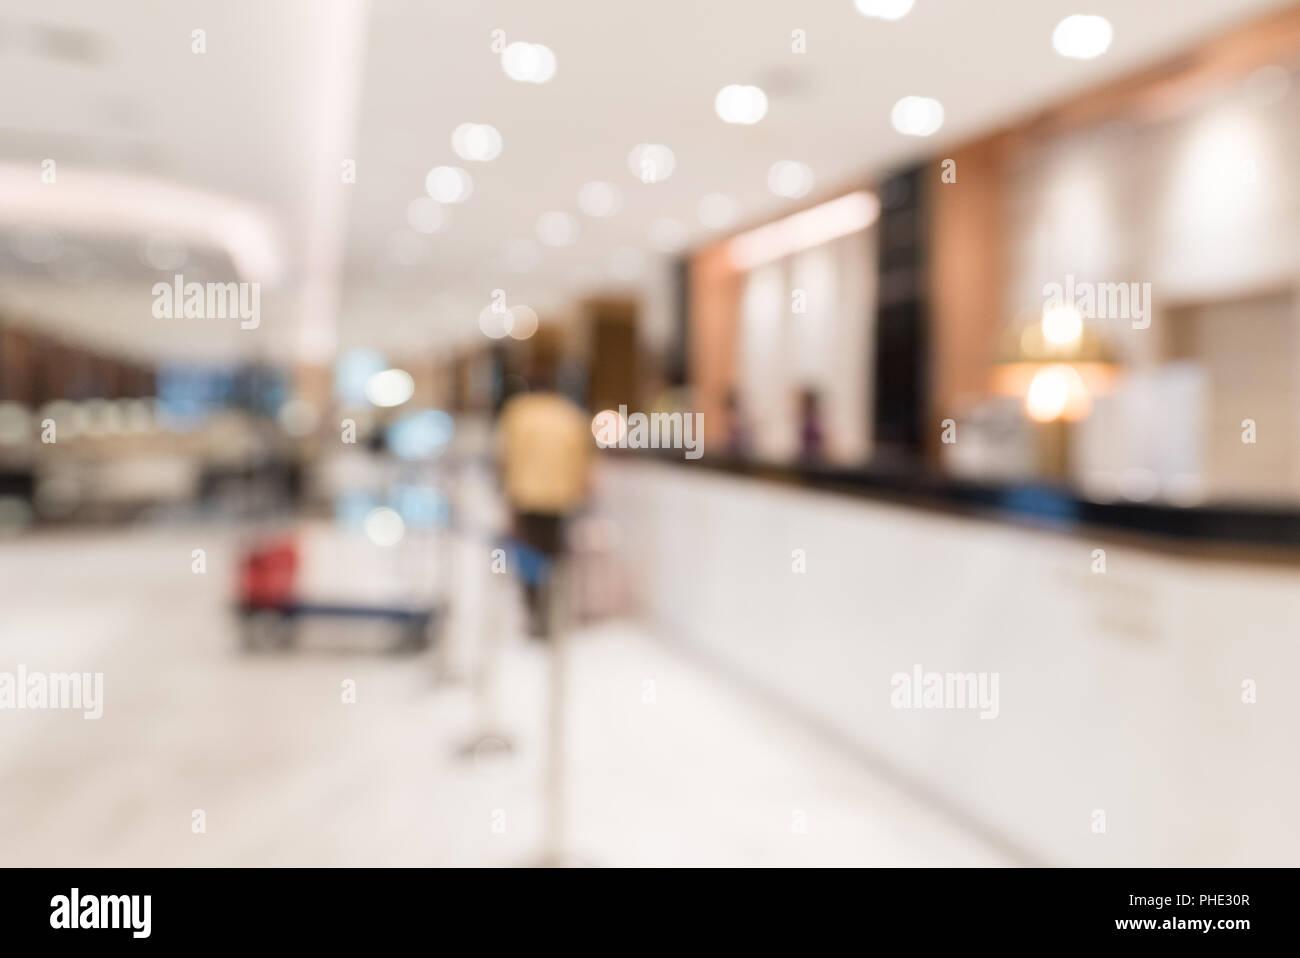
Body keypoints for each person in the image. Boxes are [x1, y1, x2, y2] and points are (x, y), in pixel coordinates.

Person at [497, 381, 591, 636]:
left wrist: (504, 489)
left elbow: (505, 454)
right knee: (554, 557)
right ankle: (551, 611)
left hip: (526, 496)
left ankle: (535, 610)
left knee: (528, 557)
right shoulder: (571, 415)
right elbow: (583, 460)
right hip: (560, 497)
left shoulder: (518, 412)